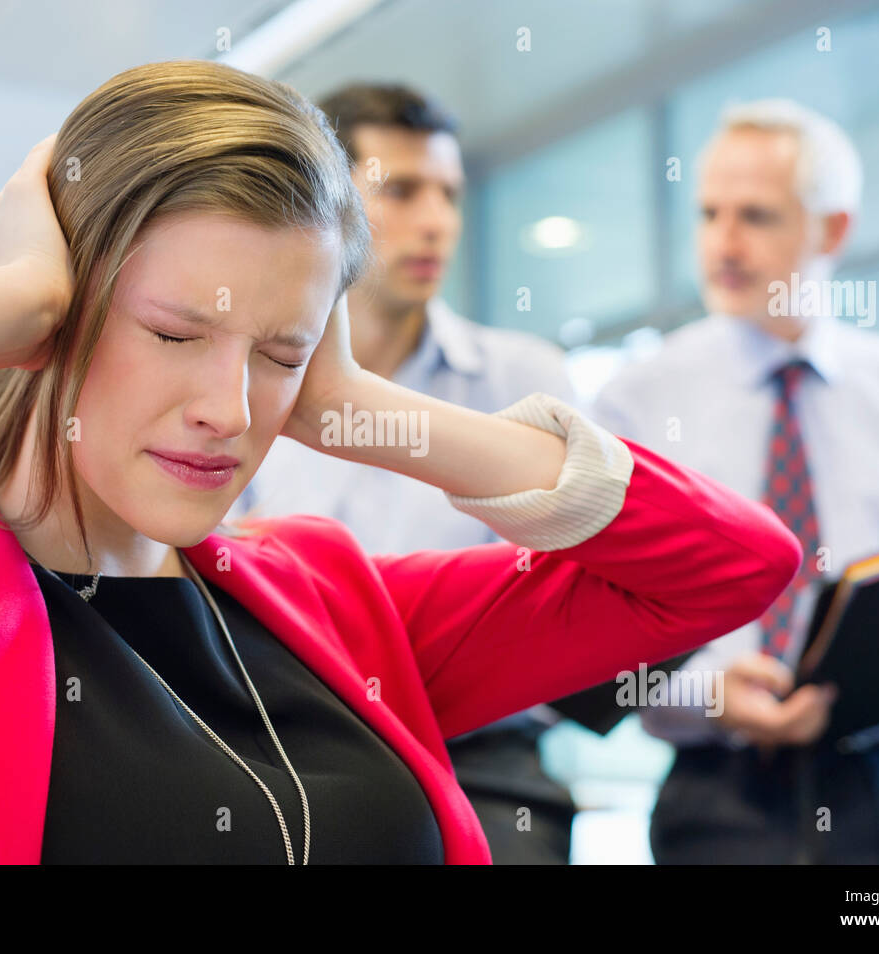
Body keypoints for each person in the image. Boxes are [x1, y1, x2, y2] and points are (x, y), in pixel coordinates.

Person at [0, 61, 800, 865]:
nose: (228, 411)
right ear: (64, 317)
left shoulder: (331, 600)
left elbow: (730, 565)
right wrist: (7, 301)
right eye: (174, 333)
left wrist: (352, 407)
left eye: (281, 352)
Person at [590, 98, 879, 864]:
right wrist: (707, 696)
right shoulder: (639, 398)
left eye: (755, 215)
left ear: (834, 230)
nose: (723, 242)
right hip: (720, 794)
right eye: (708, 212)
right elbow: (594, 621)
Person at [227, 82, 587, 864]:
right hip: (297, 741)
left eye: (451, 195)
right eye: (405, 190)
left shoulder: (526, 379)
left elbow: (579, 579)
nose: (436, 221)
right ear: (332, 204)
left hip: (484, 754)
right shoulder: (255, 379)